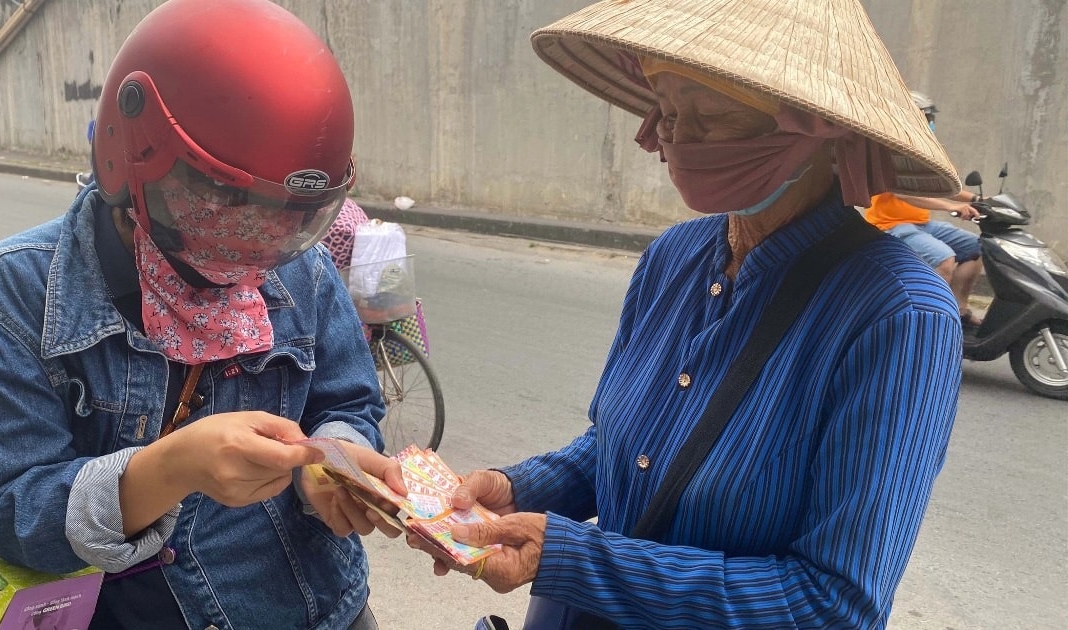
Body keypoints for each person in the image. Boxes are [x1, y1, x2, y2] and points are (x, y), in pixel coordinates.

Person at [408, 0, 964, 628]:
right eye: (668, 110)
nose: (674, 138)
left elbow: (836, 603)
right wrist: (516, 491)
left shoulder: (898, 316)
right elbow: (620, 450)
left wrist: (575, 558)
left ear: (815, 132)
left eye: (712, 114)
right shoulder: (673, 257)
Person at [0, 1, 404, 628]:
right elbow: (5, 512)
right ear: (131, 152)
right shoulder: (8, 296)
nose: (253, 248)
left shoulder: (301, 270)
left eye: (287, 222)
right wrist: (165, 470)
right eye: (220, 200)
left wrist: (335, 466)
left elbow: (347, 404)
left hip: (321, 610)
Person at [865, 92, 986, 328]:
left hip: (921, 224)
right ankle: (934, 322)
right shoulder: (889, 148)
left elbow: (942, 184)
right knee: (944, 260)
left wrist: (978, 198)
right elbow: (902, 191)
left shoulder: (923, 150)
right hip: (891, 225)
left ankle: (959, 311)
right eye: (926, 116)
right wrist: (951, 206)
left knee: (979, 247)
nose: (930, 122)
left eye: (931, 117)